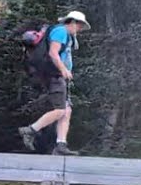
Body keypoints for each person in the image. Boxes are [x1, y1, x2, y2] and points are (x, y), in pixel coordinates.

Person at [18, 10, 89, 156]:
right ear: (73, 22)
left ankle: (61, 145)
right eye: (80, 25)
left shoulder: (65, 34)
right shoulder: (61, 31)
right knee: (60, 110)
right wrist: (63, 70)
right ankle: (30, 130)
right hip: (54, 75)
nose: (80, 29)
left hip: (57, 76)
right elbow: (53, 53)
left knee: (66, 110)